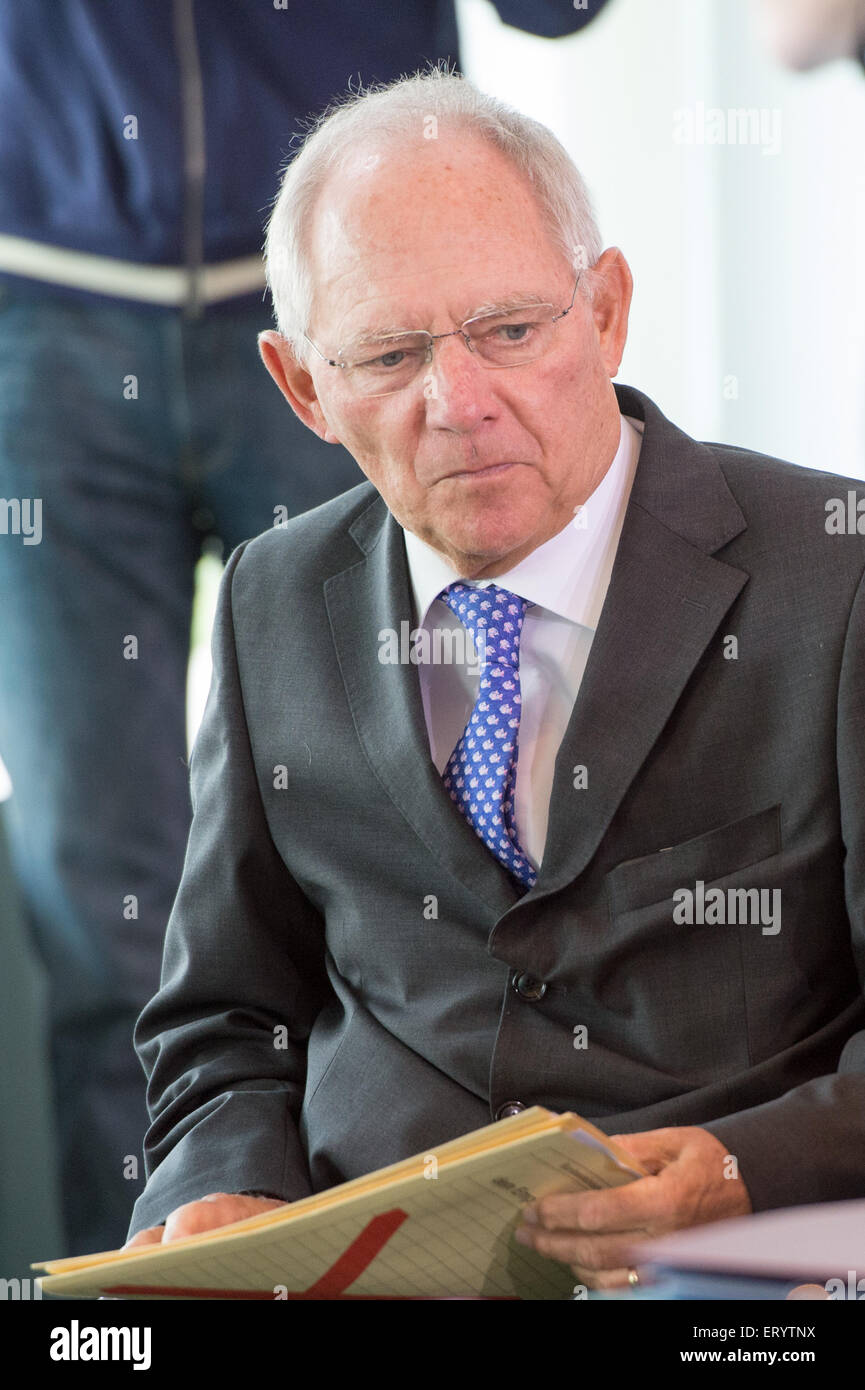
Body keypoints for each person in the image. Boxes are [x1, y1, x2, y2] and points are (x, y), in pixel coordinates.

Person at [125, 69, 865, 1292]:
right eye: (389, 354)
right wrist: (224, 1181)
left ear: (607, 310)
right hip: (369, 1257)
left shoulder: (835, 573)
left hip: (743, 1263)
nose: (459, 404)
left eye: (510, 332)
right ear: (303, 386)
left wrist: (745, 1168)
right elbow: (224, 1010)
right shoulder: (271, 599)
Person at [0, 1, 609, 1258]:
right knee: (98, 902)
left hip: (363, 303)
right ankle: (139, 1298)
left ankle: (461, 1255)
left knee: (428, 885)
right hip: (40, 308)